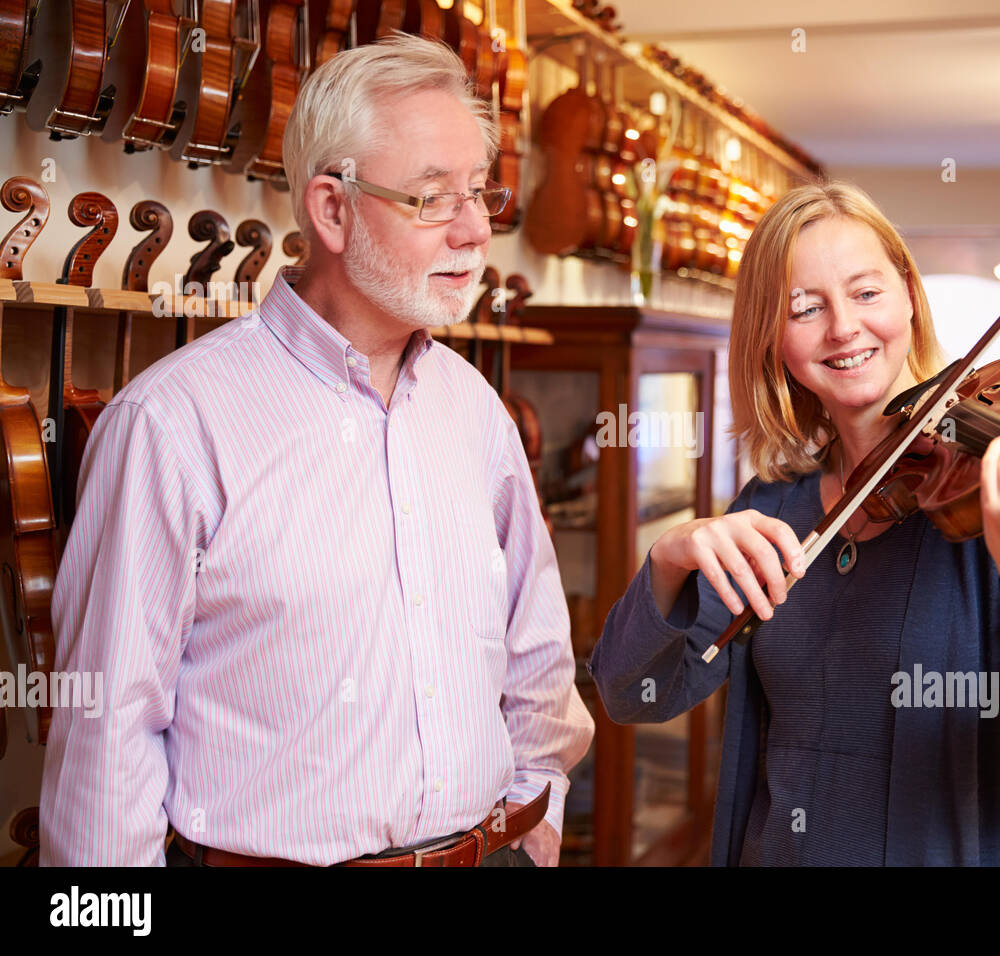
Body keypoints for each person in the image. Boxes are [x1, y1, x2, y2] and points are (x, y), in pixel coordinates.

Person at [41, 34, 593, 867]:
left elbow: (538, 648)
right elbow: (106, 737)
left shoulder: (476, 410)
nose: (477, 231)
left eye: (481, 193)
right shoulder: (171, 424)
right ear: (331, 209)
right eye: (434, 199)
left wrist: (534, 819)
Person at [590, 182, 1000, 865]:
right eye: (805, 308)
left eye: (866, 292)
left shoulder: (998, 506)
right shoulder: (770, 509)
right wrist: (670, 559)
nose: (843, 327)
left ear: (910, 294)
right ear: (773, 337)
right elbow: (630, 693)